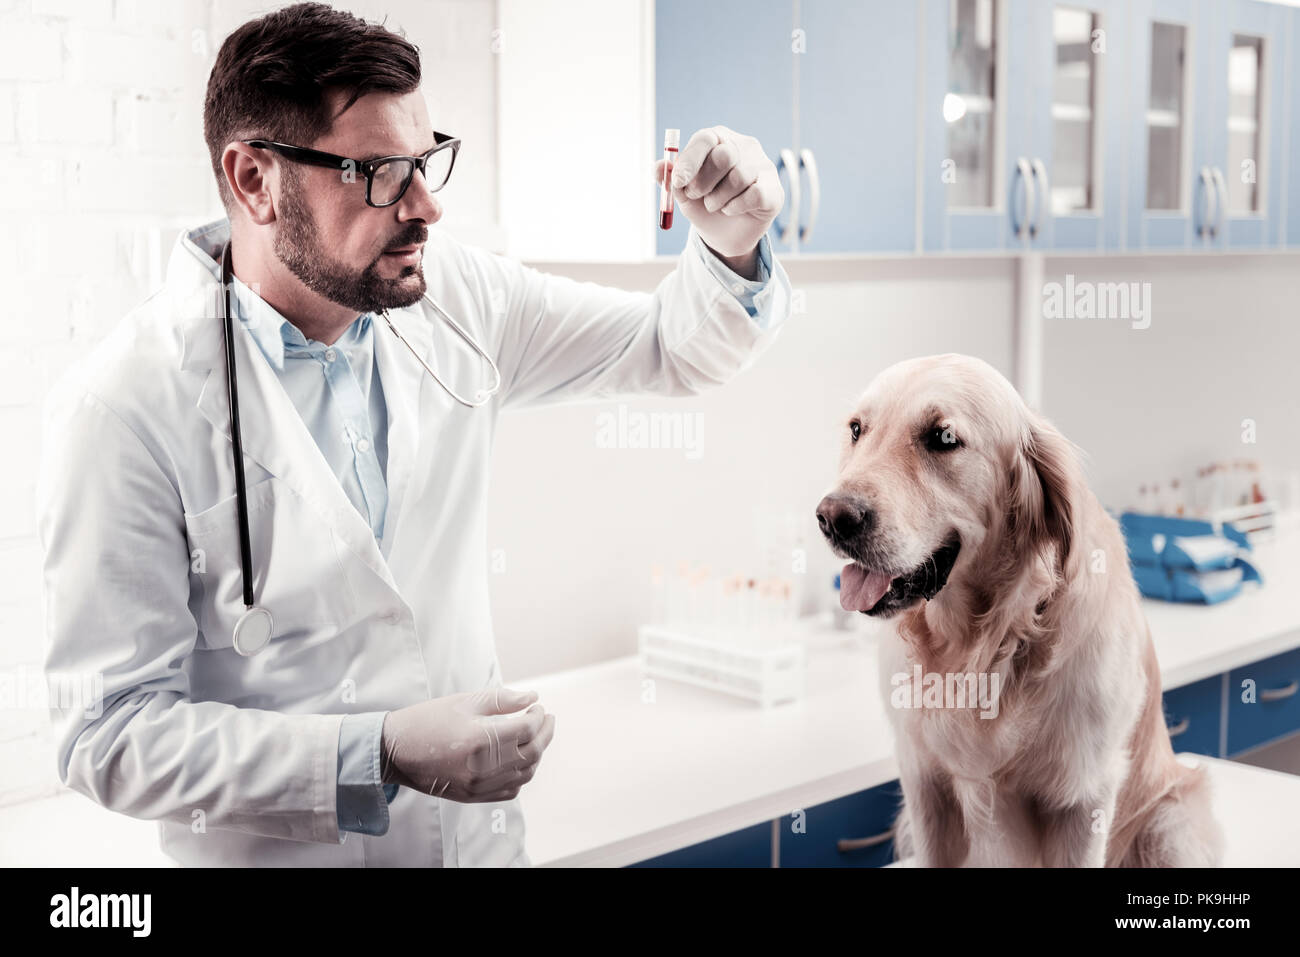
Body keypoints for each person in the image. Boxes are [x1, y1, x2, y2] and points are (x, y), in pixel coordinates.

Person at [36, 2, 792, 866]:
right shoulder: (123, 407)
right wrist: (378, 752)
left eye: (427, 161)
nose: (426, 205)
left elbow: (666, 347)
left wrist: (734, 244)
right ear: (253, 180)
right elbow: (109, 733)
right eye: (380, 172)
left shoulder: (457, 299)